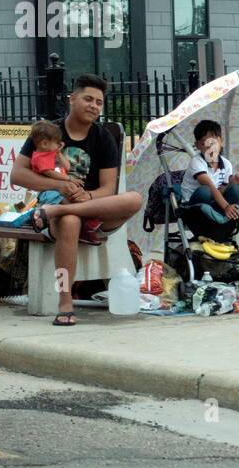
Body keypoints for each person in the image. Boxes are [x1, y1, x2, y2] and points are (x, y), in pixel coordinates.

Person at [10, 74, 144, 327]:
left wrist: (87, 196)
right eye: (88, 99)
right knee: (70, 220)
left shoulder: (103, 138)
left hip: (92, 212)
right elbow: (18, 174)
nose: (94, 106)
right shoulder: (46, 132)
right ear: (72, 99)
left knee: (135, 198)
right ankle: (65, 301)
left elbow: (108, 189)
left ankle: (56, 212)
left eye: (99, 102)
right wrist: (61, 184)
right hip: (59, 206)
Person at [23, 120, 103, 240]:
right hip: (48, 192)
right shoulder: (39, 157)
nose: (58, 144)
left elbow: (67, 167)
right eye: (56, 142)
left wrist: (59, 153)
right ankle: (83, 222)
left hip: (59, 189)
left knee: (74, 200)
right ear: (44, 143)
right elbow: (49, 173)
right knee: (68, 204)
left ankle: (85, 222)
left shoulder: (51, 153)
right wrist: (69, 179)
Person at [180, 119, 239, 223]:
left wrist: (230, 184)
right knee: (205, 191)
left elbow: (220, 190)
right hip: (193, 206)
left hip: (214, 203)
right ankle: (220, 215)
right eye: (204, 143)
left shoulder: (227, 164)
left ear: (221, 141)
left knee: (237, 190)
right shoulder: (196, 162)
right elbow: (210, 188)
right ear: (197, 145)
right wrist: (226, 207)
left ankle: (223, 218)